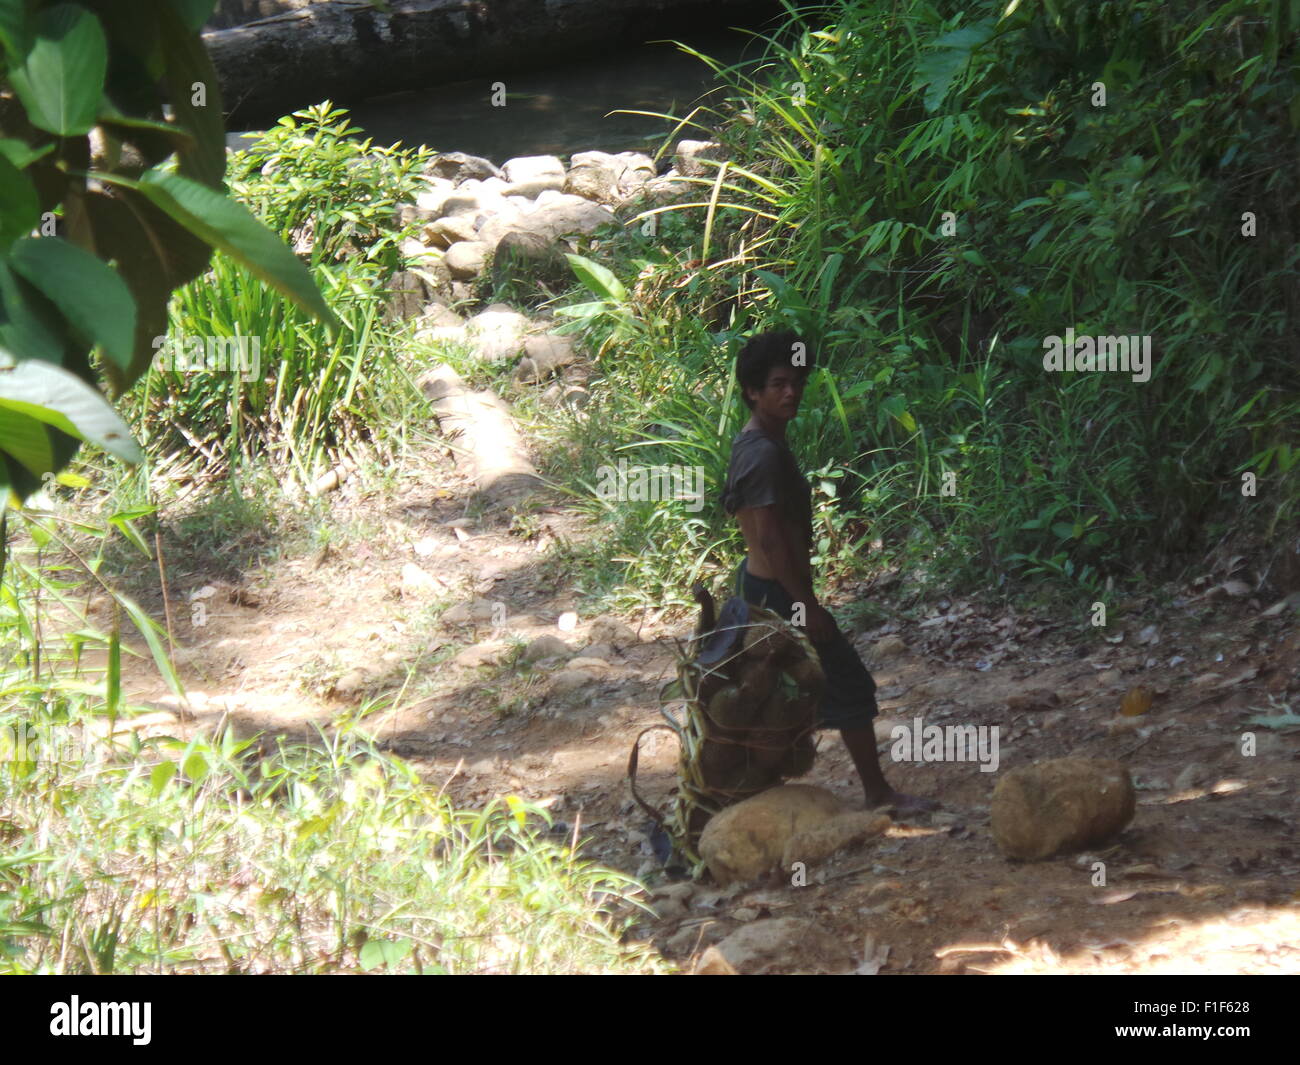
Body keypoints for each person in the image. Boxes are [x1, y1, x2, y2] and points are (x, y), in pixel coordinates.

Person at [720, 329, 937, 815]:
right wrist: (805, 606)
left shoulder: (754, 443)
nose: (790, 392)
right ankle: (877, 794)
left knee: (779, 696)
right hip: (778, 593)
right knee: (849, 687)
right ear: (753, 391)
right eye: (777, 383)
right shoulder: (763, 453)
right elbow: (771, 539)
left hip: (762, 587)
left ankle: (747, 796)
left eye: (796, 382)